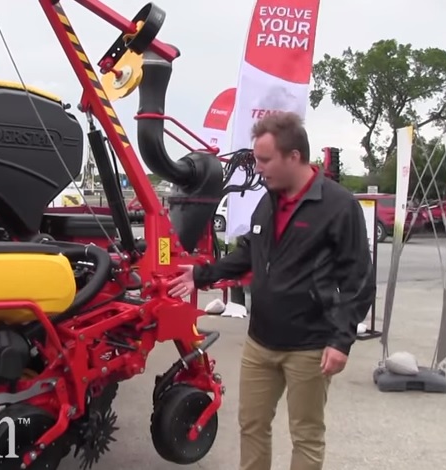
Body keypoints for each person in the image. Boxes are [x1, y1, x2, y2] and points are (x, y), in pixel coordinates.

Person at [167, 111, 376, 470]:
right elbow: (250, 253)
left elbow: (358, 279)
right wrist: (200, 275)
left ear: (294, 157)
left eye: (265, 159)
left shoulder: (339, 206)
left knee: (306, 434)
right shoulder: (269, 201)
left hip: (310, 347)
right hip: (260, 342)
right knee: (251, 426)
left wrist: (341, 340)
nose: (258, 167)